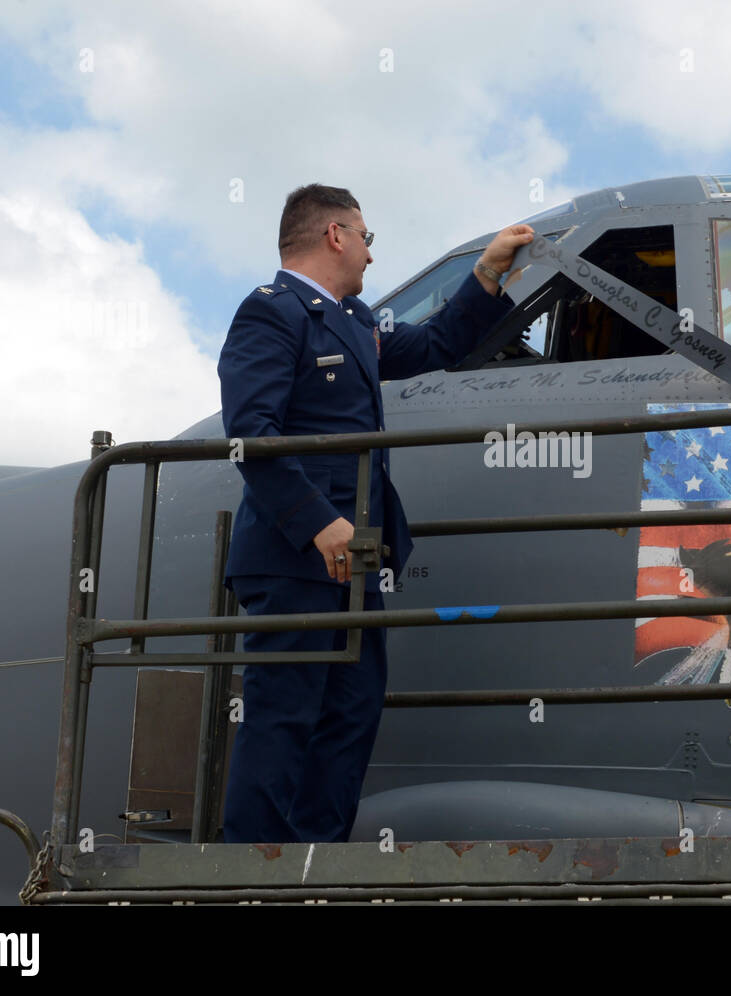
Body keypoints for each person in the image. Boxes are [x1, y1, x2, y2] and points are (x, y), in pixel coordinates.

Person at [217, 183, 533, 843]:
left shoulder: (357, 321)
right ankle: (254, 869)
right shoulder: (272, 314)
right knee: (283, 711)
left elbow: (437, 345)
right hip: (295, 555)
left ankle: (316, 862)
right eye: (366, 238)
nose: (369, 254)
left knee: (351, 712)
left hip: (357, 558)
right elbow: (251, 434)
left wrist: (486, 274)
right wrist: (315, 521)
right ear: (336, 235)